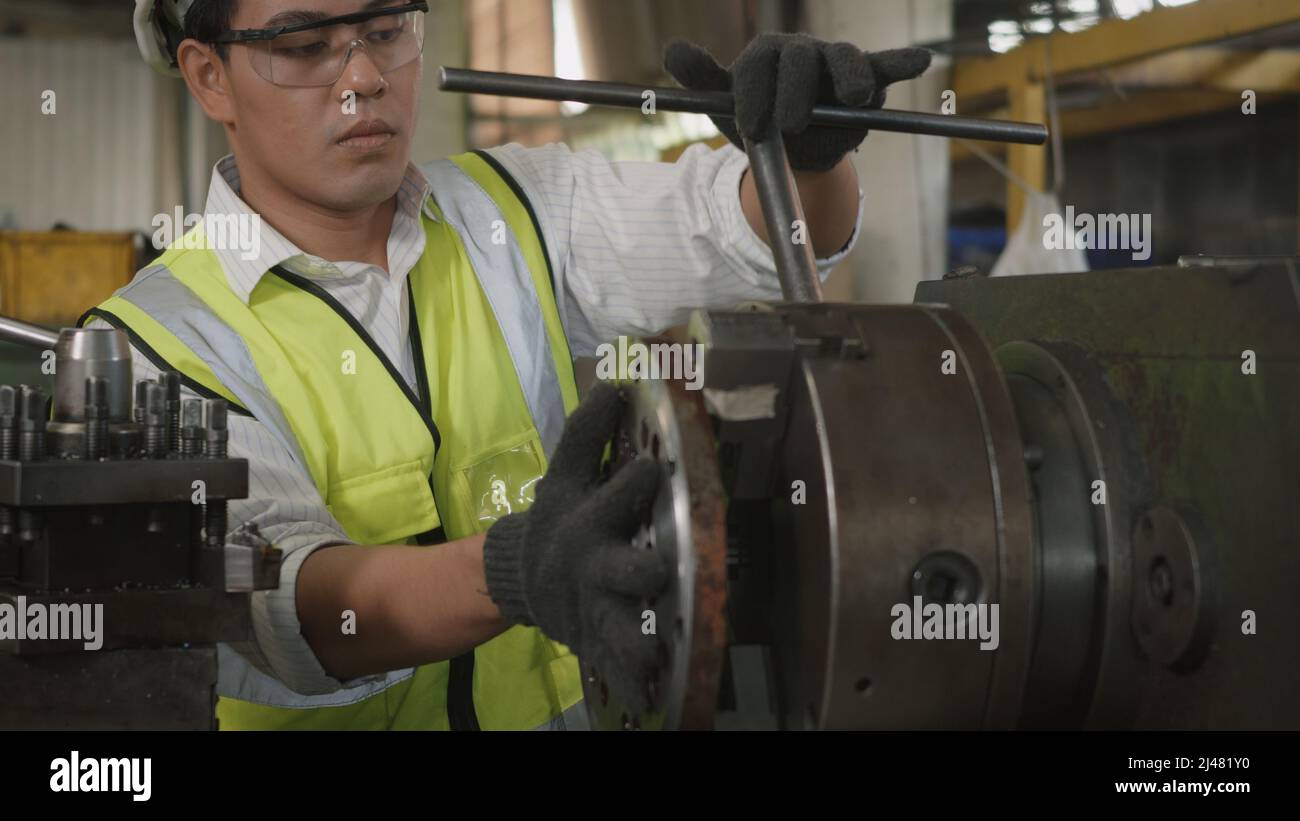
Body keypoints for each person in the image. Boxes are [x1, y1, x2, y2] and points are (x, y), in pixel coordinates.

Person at [94, 0, 930, 729]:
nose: (363, 79)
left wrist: (806, 160)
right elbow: (285, 606)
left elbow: (760, 230)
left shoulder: (514, 209)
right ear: (208, 76)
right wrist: (511, 572)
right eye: (305, 45)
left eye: (386, 29)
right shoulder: (154, 346)